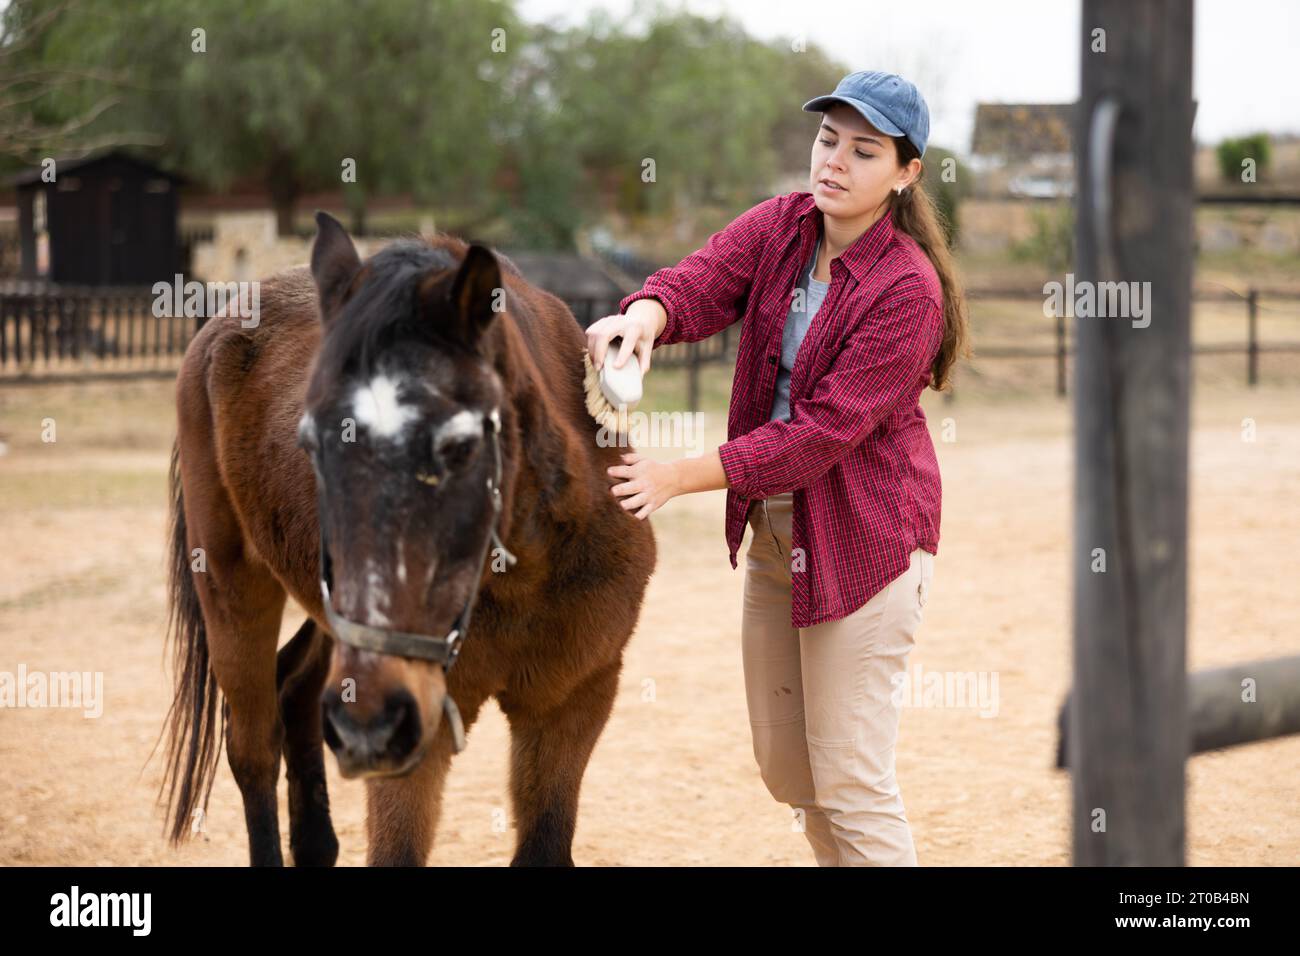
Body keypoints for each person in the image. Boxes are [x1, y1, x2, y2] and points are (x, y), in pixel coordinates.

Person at [585, 70, 970, 866]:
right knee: (791, 771)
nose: (834, 162)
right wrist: (643, 318)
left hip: (864, 544)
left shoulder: (909, 293)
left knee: (851, 779)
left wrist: (677, 476)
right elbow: (702, 280)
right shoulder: (784, 227)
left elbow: (818, 436)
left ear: (905, 175)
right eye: (828, 140)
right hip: (774, 534)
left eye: (864, 152)